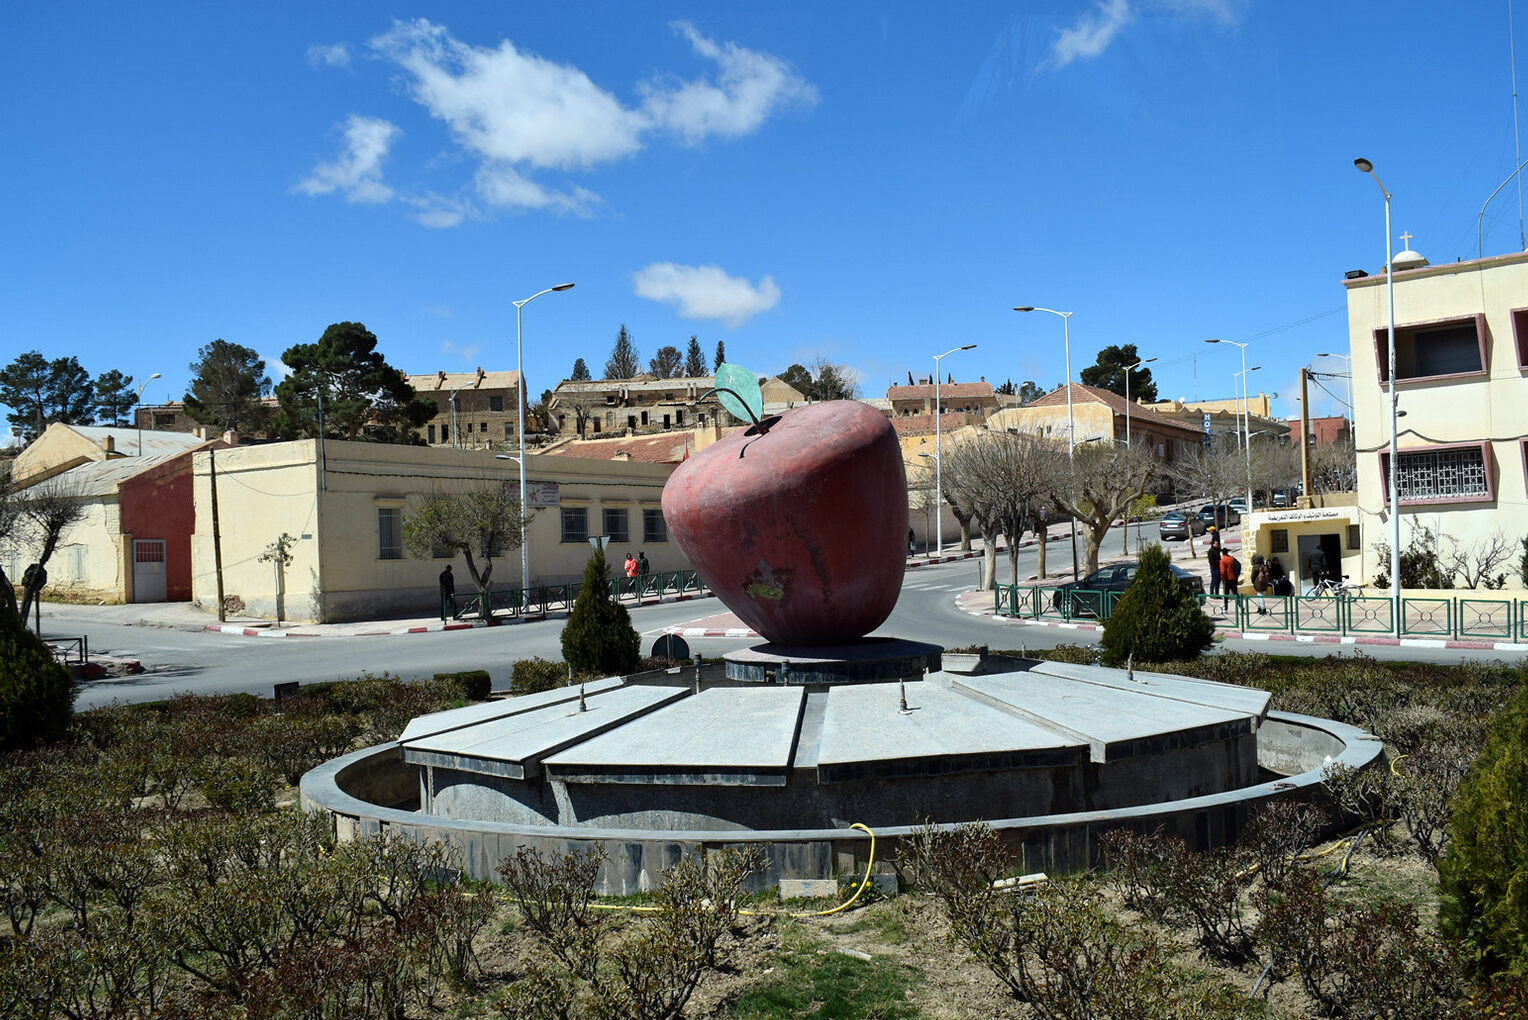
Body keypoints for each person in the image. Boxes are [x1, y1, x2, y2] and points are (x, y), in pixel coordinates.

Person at [1206, 529, 1222, 599]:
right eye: (1216, 543)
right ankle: (1212, 594)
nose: (1218, 544)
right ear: (1213, 544)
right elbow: (1211, 561)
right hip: (1214, 568)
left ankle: (1217, 594)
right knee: (1214, 581)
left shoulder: (1217, 550)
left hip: (1218, 568)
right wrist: (1215, 565)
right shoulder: (1211, 551)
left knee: (1218, 581)